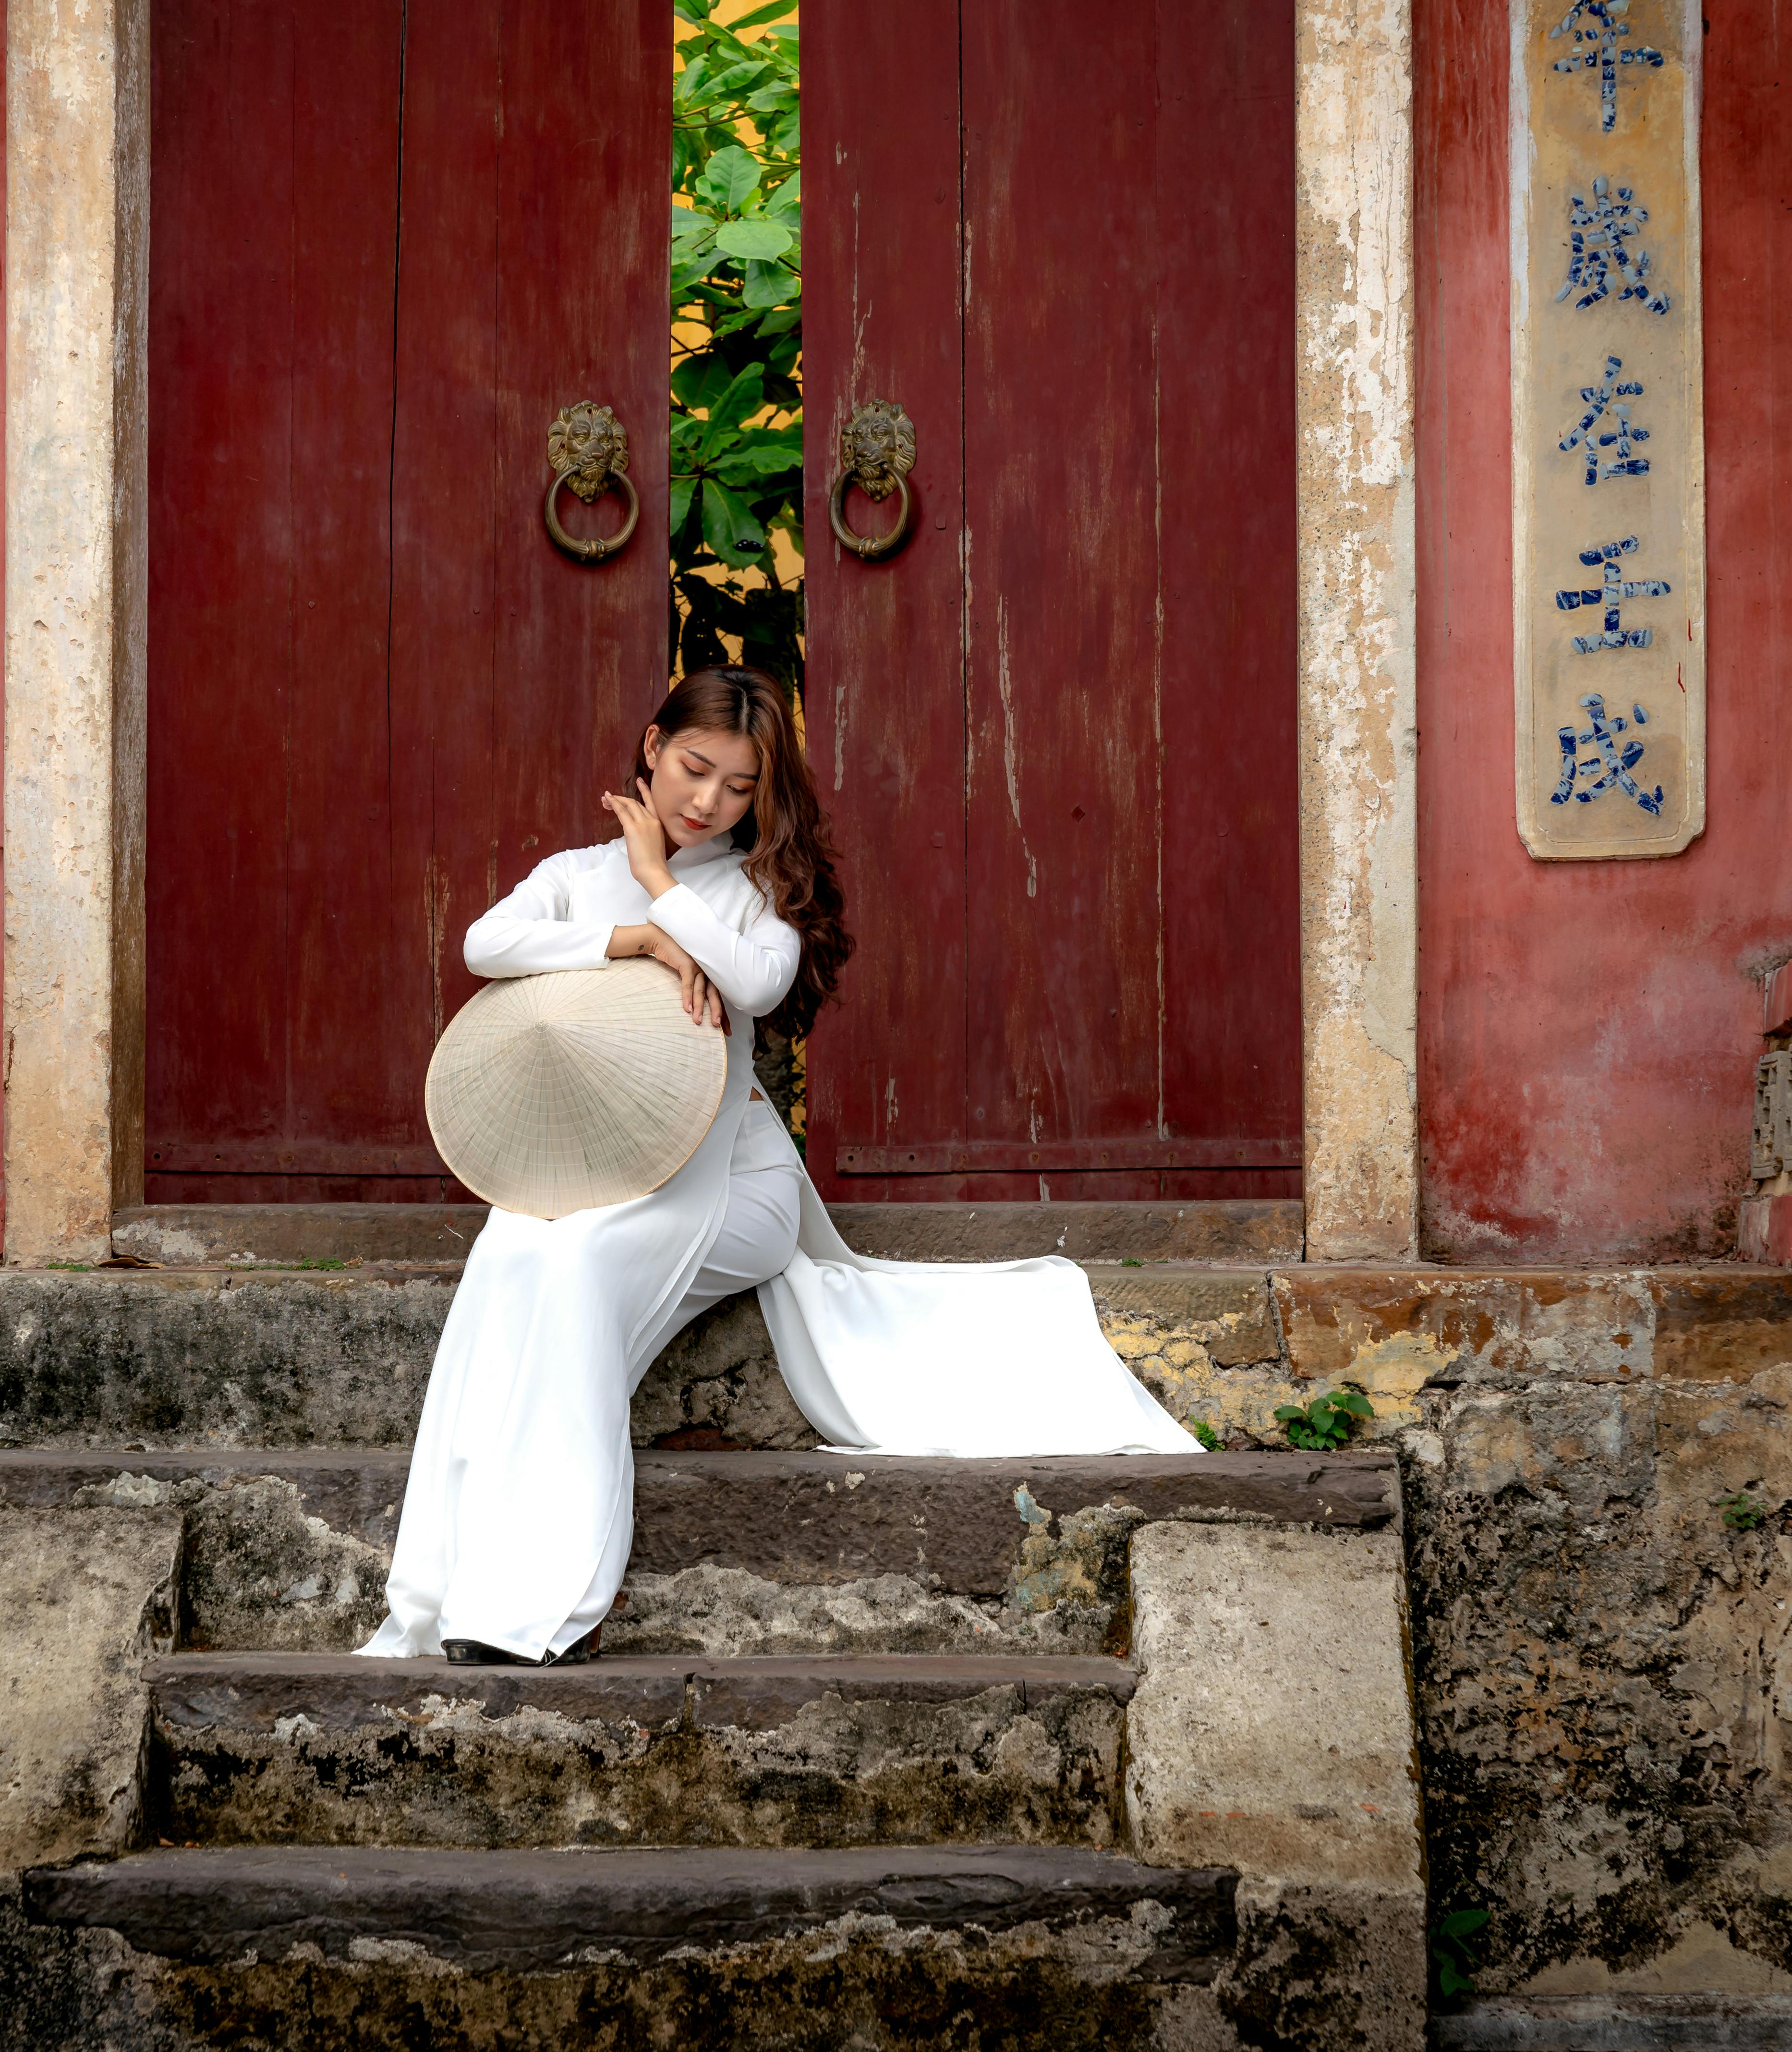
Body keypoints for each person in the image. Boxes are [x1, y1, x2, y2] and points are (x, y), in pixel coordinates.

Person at [359, 665, 1202, 1666]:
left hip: (731, 1182)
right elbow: (484, 943)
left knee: (577, 1270)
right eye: (692, 766)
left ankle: (545, 1607)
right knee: (510, 1252)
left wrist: (665, 886)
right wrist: (631, 933)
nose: (706, 799)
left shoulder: (757, 888)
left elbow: (757, 977)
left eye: (738, 785)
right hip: (594, 1168)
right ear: (651, 745)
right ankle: (448, 1587)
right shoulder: (577, 873)